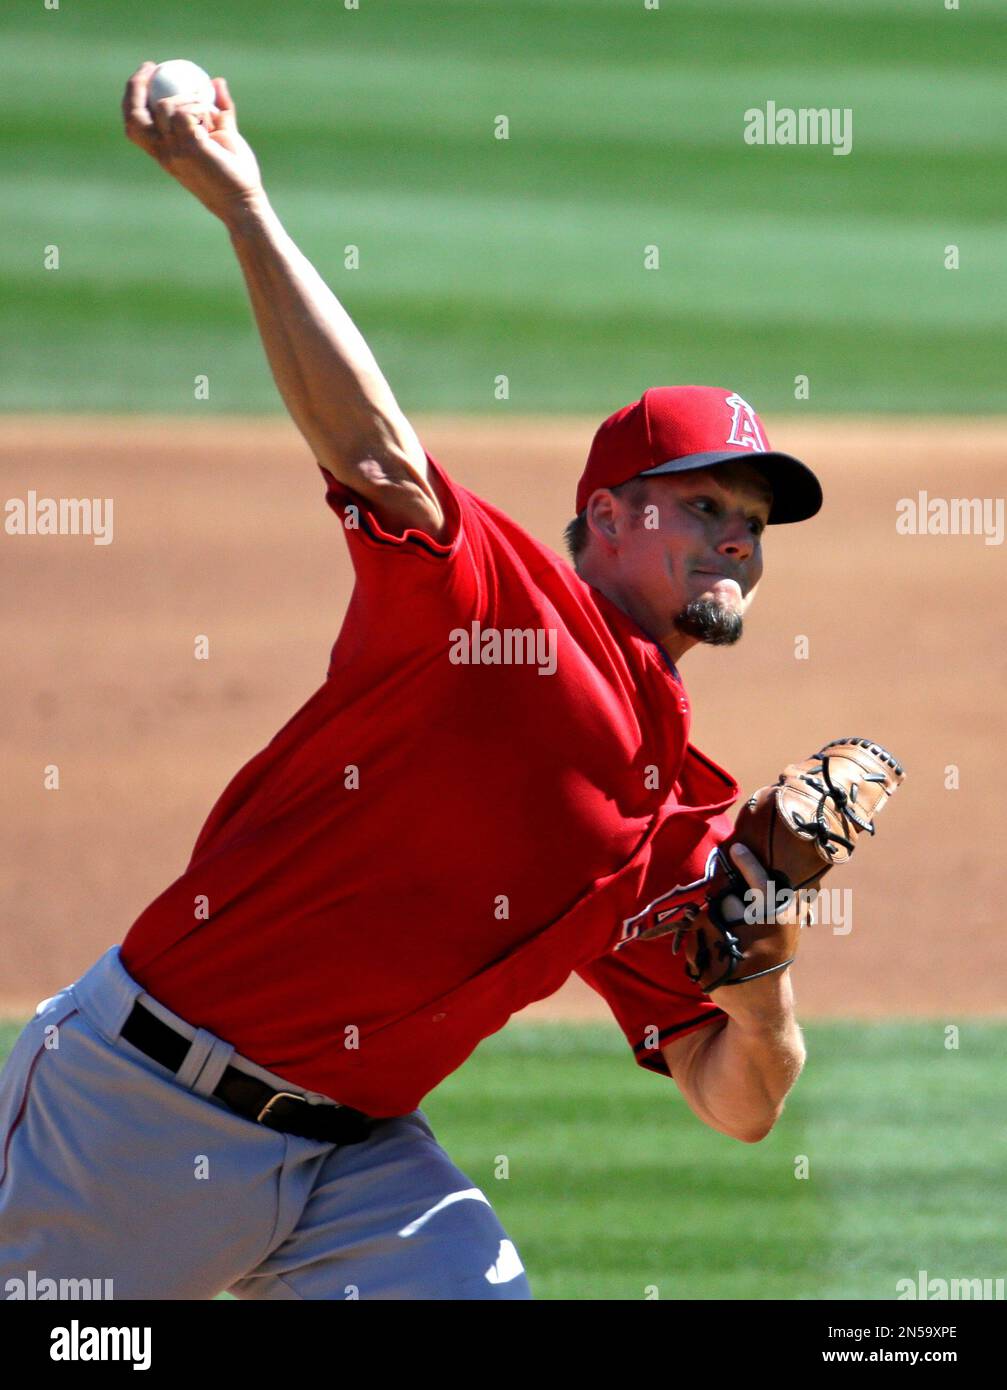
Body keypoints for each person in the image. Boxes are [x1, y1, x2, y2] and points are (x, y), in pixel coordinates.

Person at [0, 63, 820, 1301]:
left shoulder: (680, 824)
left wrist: (757, 976)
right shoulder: (499, 609)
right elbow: (373, 450)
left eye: (752, 522)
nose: (735, 541)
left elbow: (736, 1101)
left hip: (355, 1165)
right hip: (136, 1119)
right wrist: (243, 210)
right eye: (702, 505)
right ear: (600, 516)